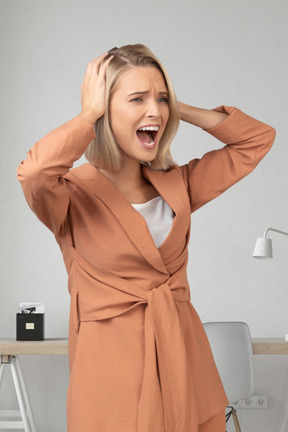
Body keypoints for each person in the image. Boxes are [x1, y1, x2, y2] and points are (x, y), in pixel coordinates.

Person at [17, 44, 276, 432]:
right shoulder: (69, 195)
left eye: (160, 98)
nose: (153, 110)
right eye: (136, 99)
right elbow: (34, 173)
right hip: (110, 369)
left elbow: (256, 140)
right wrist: (87, 114)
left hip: (184, 357)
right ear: (105, 108)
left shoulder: (178, 183)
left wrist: (177, 108)